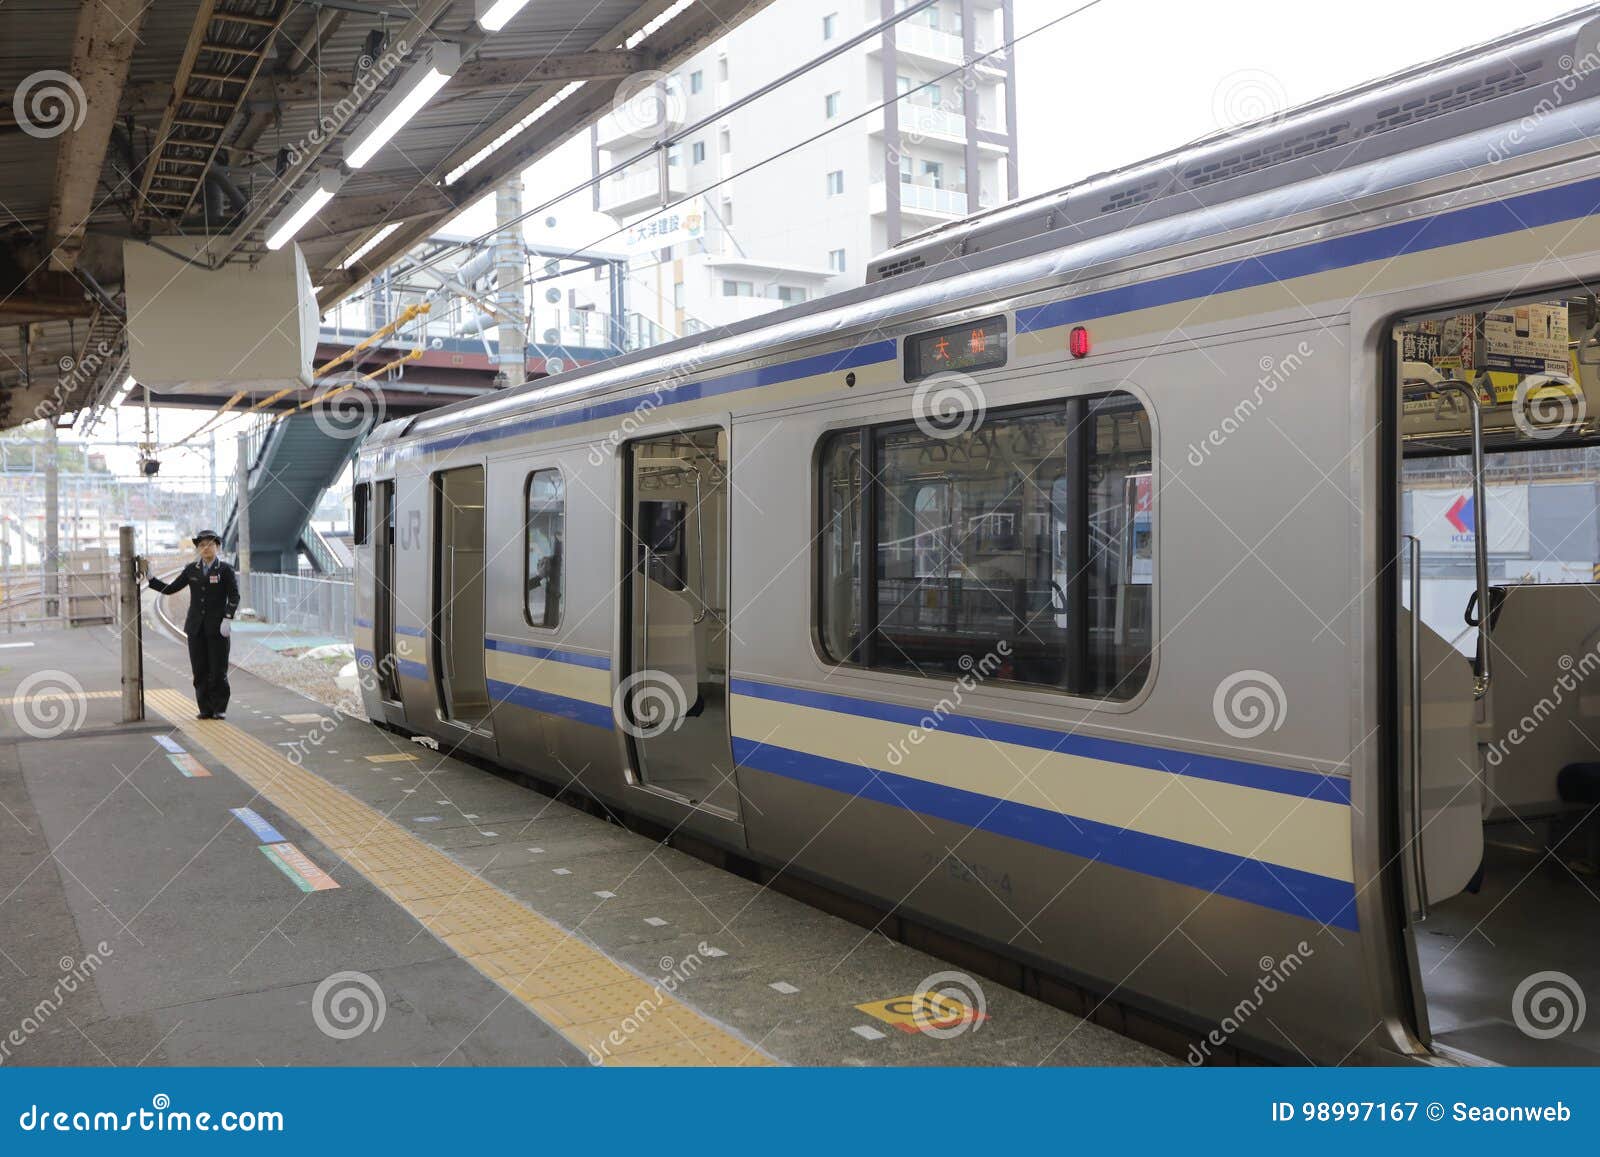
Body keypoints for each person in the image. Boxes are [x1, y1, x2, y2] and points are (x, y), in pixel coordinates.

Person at [149, 530, 240, 719]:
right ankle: (205, 708)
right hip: (196, 628)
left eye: (210, 544)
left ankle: (219, 708)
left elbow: (234, 596)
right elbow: (171, 589)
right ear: (198, 549)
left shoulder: (225, 570)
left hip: (218, 628)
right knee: (199, 670)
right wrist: (151, 580)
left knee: (218, 670)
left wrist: (228, 618)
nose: (206, 548)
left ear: (217, 547)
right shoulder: (191, 570)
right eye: (202, 545)